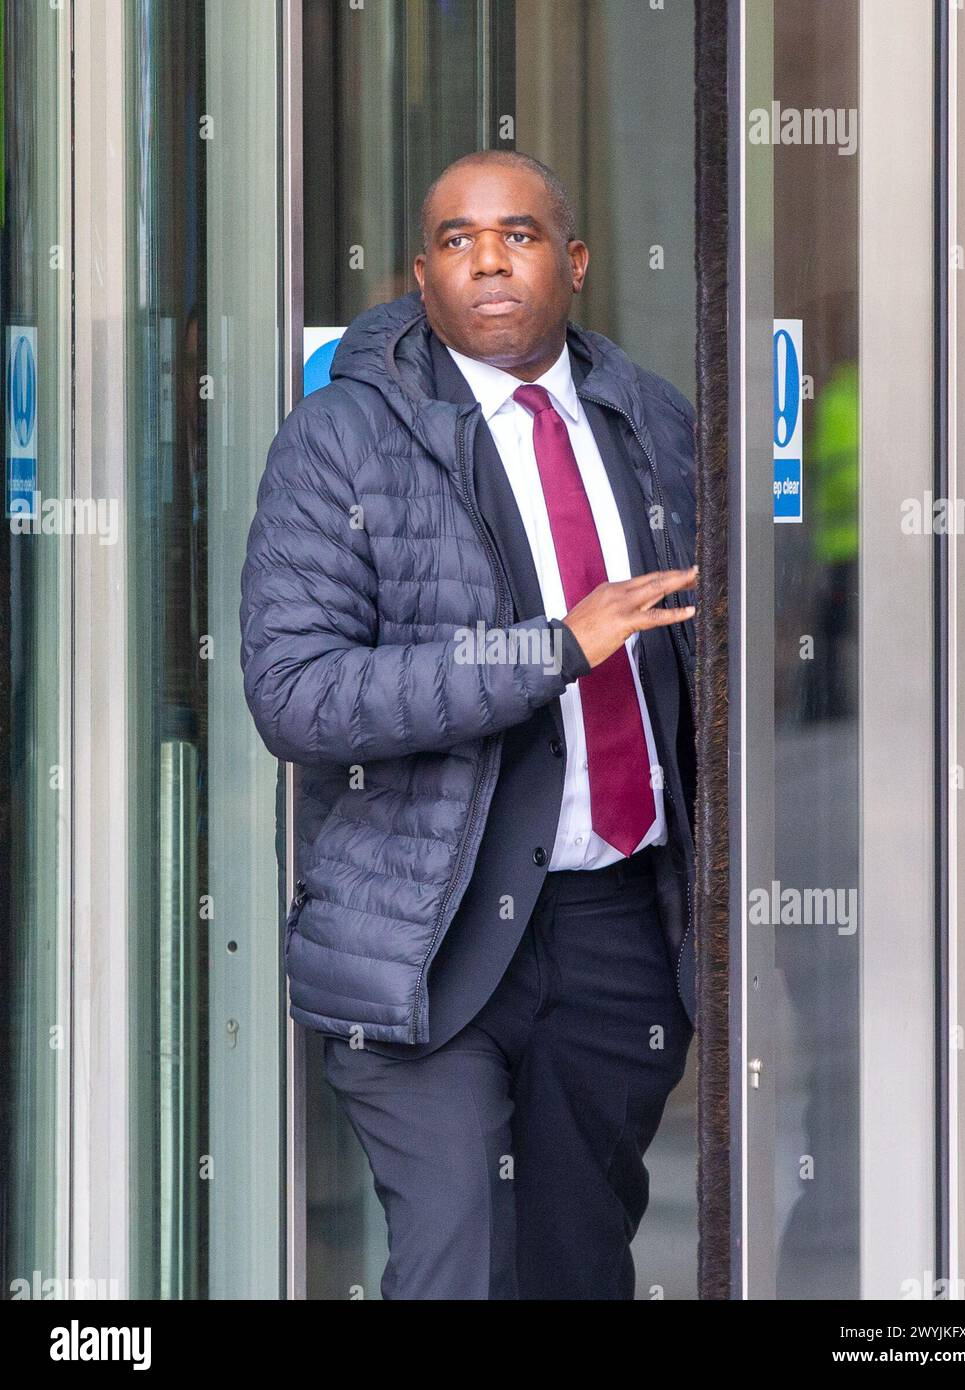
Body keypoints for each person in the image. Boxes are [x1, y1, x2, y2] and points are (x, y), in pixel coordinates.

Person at [239, 149, 698, 1300]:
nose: (487, 259)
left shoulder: (653, 419)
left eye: (520, 234)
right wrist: (547, 650)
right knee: (458, 1265)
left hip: (612, 927)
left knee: (577, 1266)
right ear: (422, 273)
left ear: (576, 260)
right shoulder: (340, 439)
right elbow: (295, 691)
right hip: (425, 934)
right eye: (456, 240)